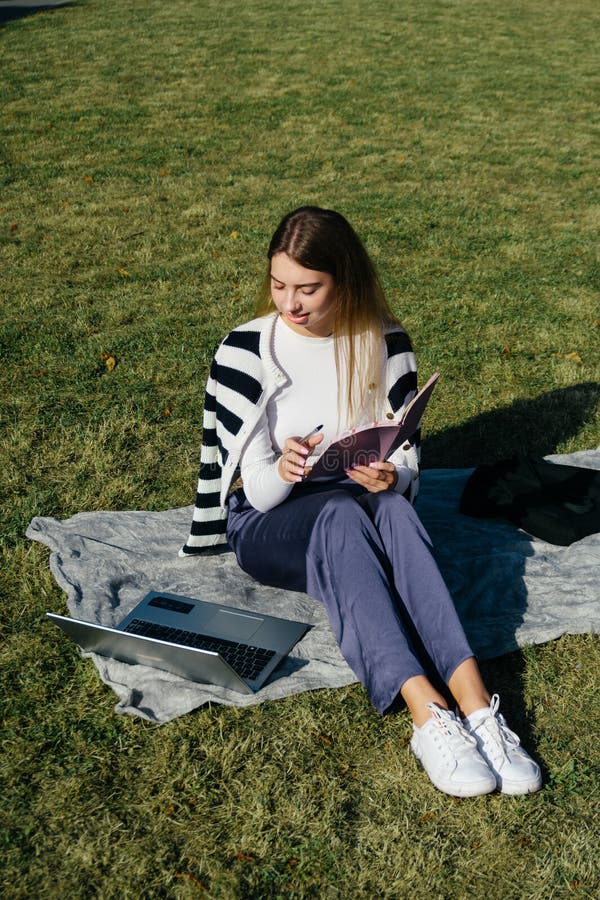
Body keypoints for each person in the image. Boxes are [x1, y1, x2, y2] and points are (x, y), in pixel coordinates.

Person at [182, 206, 542, 798]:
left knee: (393, 511)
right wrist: (284, 467)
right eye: (278, 285)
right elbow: (253, 489)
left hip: (360, 495)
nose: (290, 303)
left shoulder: (383, 339)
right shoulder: (247, 350)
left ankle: (478, 708)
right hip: (272, 520)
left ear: (343, 281)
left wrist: (391, 479)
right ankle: (427, 714)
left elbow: (405, 457)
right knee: (341, 514)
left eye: (308, 288)